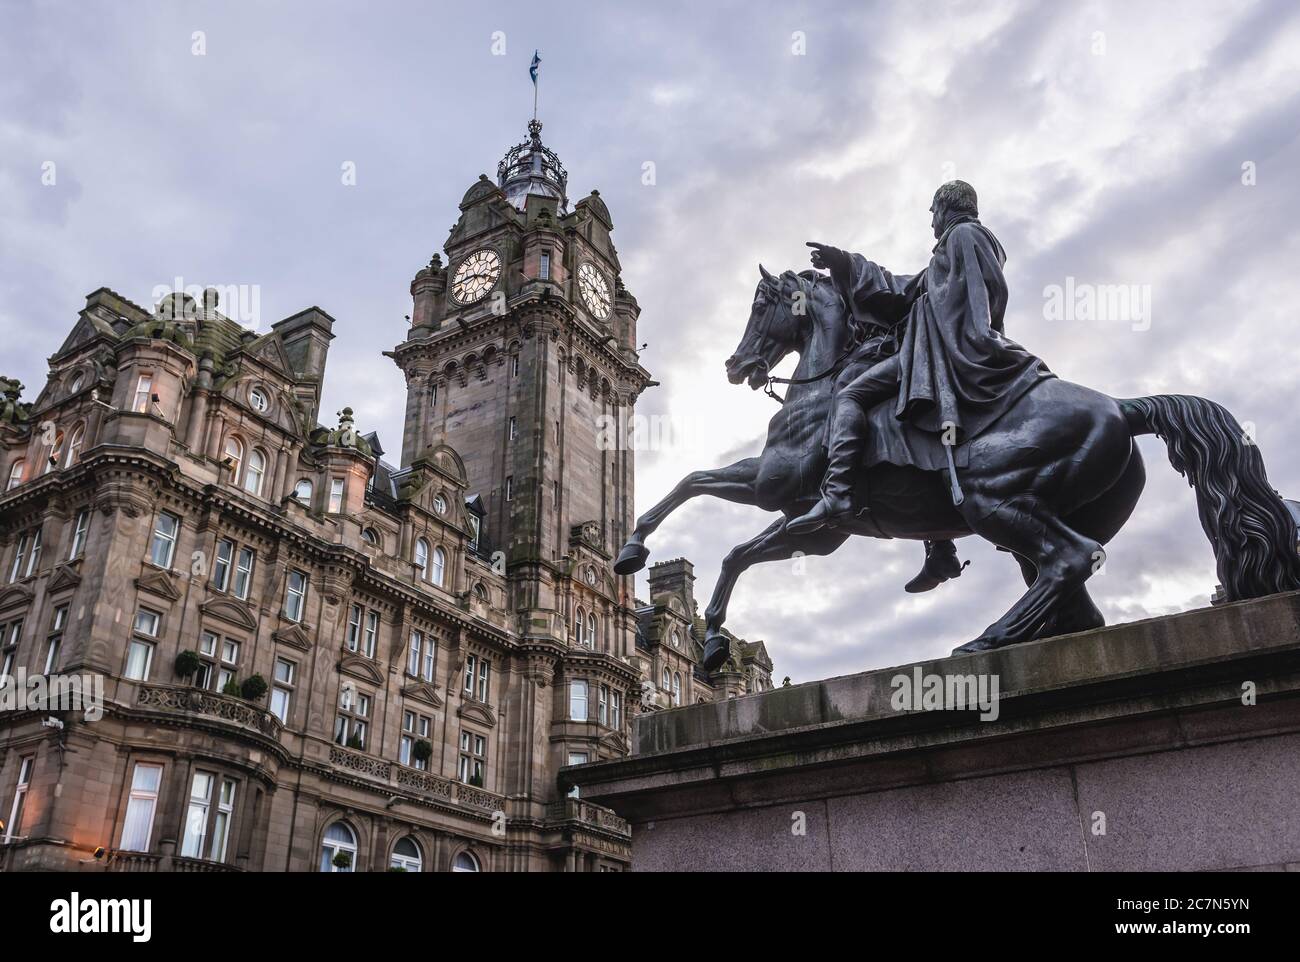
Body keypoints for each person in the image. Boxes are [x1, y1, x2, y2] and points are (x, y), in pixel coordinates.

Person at [788, 182, 1051, 594]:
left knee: (853, 394)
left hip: (947, 349)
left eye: (932, 211)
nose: (930, 221)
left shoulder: (964, 237)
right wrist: (844, 263)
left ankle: (837, 493)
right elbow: (910, 290)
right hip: (941, 344)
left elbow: (956, 302)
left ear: (947, 208)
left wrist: (964, 338)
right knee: (905, 426)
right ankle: (938, 547)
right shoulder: (960, 245)